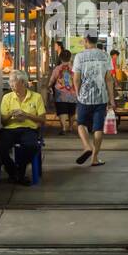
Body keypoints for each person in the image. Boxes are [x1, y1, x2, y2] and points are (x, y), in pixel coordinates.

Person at [72, 29, 115, 167]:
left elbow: (76, 79)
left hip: (84, 97)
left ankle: (87, 147)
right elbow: (109, 79)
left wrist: (78, 94)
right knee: (98, 128)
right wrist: (111, 99)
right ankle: (95, 158)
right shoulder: (105, 56)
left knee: (81, 124)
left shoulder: (79, 56)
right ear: (97, 40)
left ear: (86, 40)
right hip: (100, 97)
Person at [0, 69, 46, 185]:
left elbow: (43, 120)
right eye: (10, 81)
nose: (11, 84)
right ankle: (15, 172)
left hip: (29, 129)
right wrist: (11, 114)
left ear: (23, 83)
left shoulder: (36, 97)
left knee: (31, 146)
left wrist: (26, 115)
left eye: (13, 81)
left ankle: (19, 172)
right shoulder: (7, 97)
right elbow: (3, 121)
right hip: (10, 129)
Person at [47, 49, 77, 134]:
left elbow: (52, 79)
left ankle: (64, 128)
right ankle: (70, 127)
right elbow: (78, 79)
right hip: (72, 92)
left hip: (60, 93)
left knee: (62, 110)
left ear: (60, 58)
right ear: (70, 58)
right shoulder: (74, 68)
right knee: (72, 110)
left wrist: (49, 86)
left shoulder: (57, 68)